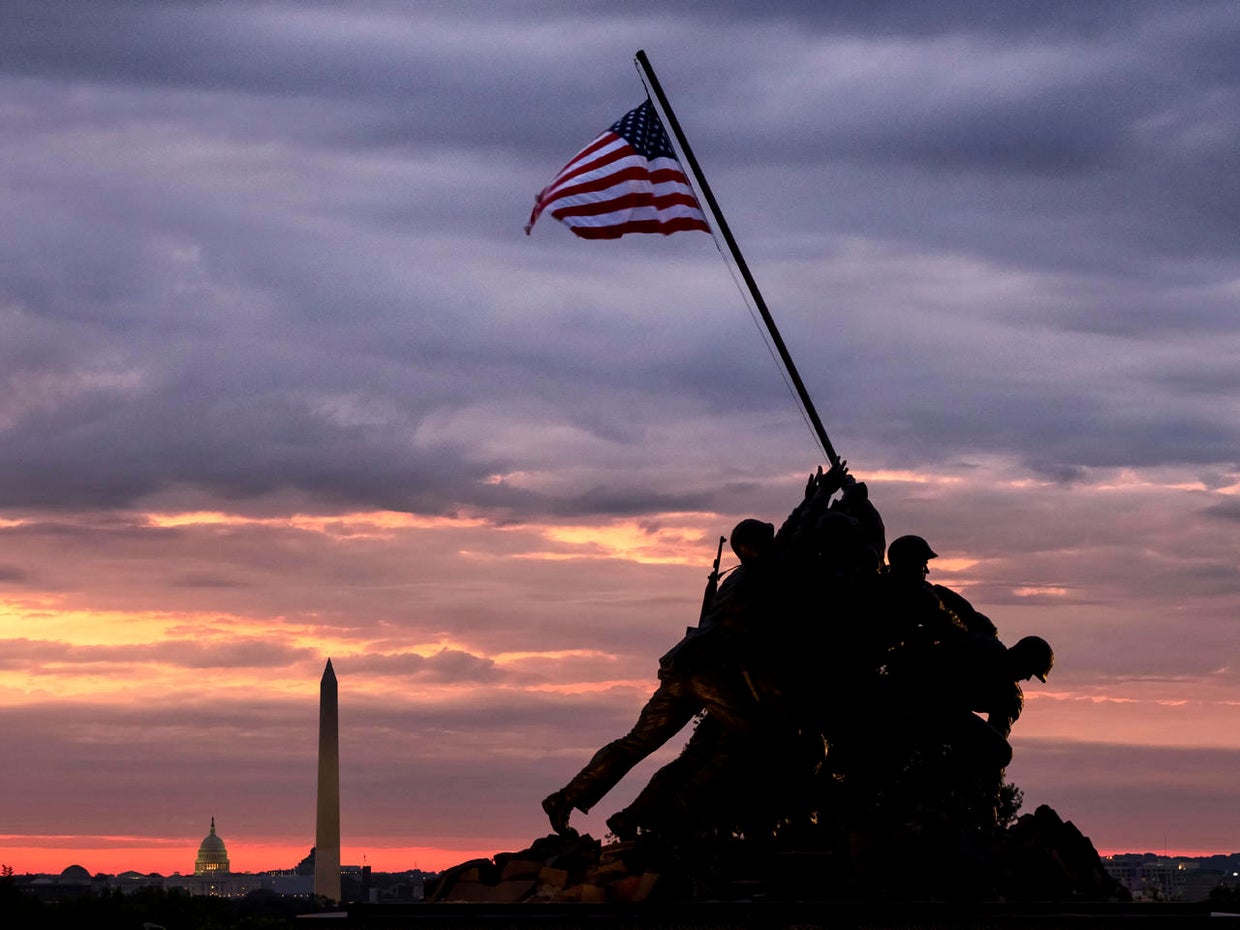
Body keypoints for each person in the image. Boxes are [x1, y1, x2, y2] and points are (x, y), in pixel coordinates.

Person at [540, 518, 777, 836]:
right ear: (759, 549)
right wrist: (819, 498)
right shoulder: (756, 580)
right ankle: (666, 815)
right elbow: (794, 535)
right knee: (758, 737)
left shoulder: (734, 579)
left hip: (682, 667)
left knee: (635, 743)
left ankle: (566, 798)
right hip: (710, 674)